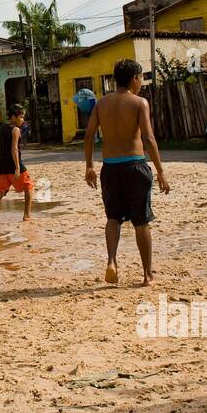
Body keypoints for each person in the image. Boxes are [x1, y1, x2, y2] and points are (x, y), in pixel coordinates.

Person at [83, 58, 170, 286]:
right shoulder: (140, 103)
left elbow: (89, 134)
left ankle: (112, 261)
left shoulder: (101, 104)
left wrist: (89, 165)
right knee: (141, 222)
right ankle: (147, 274)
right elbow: (148, 138)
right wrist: (160, 171)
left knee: (113, 218)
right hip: (135, 166)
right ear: (134, 78)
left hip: (110, 168)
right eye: (141, 77)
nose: (141, 82)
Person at [0, 104, 33, 226]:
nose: (23, 120)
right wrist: (17, 167)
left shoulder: (3, 128)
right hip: (12, 164)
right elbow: (14, 149)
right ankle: (27, 215)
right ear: (13, 117)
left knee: (0, 191)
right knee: (29, 187)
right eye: (21, 117)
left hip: (1, 165)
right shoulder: (15, 129)